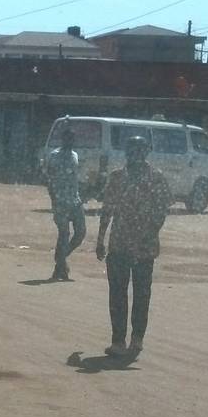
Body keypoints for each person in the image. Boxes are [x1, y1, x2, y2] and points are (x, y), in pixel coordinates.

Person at [95, 135, 171, 357]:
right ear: (126, 153)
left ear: (146, 152)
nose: (135, 155)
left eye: (139, 150)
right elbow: (107, 210)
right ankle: (118, 341)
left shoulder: (157, 178)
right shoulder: (117, 177)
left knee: (141, 294)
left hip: (145, 247)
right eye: (131, 150)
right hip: (118, 245)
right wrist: (100, 240)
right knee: (117, 295)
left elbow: (161, 211)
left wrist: (151, 233)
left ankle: (137, 339)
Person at [44, 126, 85, 281]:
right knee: (64, 234)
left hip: (75, 200)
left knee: (80, 233)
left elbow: (75, 177)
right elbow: (49, 179)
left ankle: (60, 260)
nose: (70, 142)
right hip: (60, 200)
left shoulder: (75, 155)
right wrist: (54, 200)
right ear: (63, 140)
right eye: (68, 139)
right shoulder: (54, 156)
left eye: (72, 139)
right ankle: (61, 265)